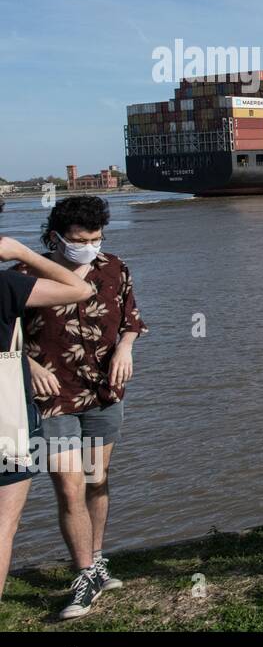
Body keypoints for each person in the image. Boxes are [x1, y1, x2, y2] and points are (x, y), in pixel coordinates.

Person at [17, 196, 147, 619]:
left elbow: (131, 321)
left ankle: (96, 557)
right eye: (81, 240)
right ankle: (83, 574)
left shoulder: (114, 267)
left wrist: (126, 349)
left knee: (97, 480)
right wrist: (28, 364)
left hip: (105, 393)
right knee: (68, 487)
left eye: (96, 238)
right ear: (56, 237)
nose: (91, 246)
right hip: (53, 398)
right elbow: (5, 336)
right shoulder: (24, 274)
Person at [0, 234, 94, 603]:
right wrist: (22, 252)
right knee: (3, 526)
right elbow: (79, 289)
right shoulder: (8, 284)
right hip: (6, 414)